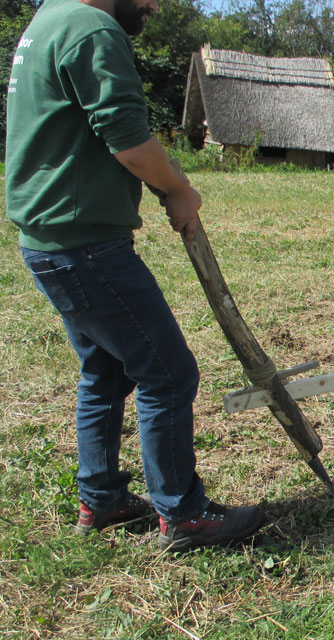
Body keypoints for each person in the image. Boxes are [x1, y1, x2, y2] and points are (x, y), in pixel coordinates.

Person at [5, 0, 265, 550]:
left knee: (106, 370)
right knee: (167, 373)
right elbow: (129, 143)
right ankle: (184, 515)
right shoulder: (91, 28)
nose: (151, 5)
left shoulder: (47, 21)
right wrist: (178, 189)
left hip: (50, 242)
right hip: (86, 245)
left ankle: (102, 500)